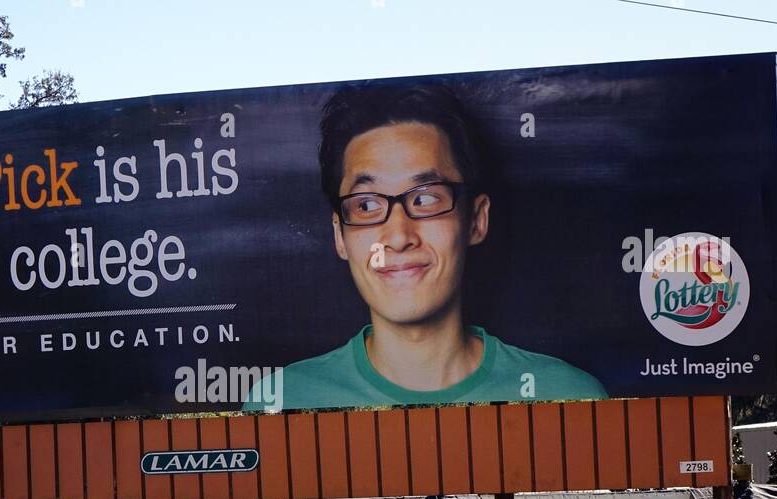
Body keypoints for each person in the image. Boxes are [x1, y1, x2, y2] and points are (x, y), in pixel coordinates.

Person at [244, 82, 605, 412]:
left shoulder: (568, 400)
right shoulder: (280, 404)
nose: (399, 236)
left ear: (476, 220)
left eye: (426, 198)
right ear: (340, 235)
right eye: (366, 205)